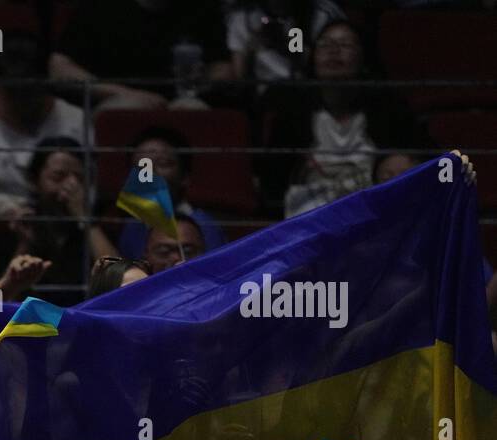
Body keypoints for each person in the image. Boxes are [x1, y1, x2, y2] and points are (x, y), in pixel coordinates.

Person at [263, 19, 427, 218]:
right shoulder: (293, 114)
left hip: (373, 216)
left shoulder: (390, 109)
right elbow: (272, 181)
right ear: (313, 57)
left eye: (345, 44)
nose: (333, 51)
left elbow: (421, 159)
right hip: (309, 220)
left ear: (363, 57)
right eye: (325, 44)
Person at [0, 32, 87, 202]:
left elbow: (90, 186)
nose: (20, 100)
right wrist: (0, 206)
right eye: (12, 92)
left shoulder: (76, 119)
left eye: (28, 91)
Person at [48, 0, 234, 111]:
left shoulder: (201, 8)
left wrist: (200, 84)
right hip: (116, 106)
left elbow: (223, 69)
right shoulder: (101, 7)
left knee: (193, 110)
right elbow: (60, 68)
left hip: (183, 107)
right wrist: (123, 94)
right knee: (126, 108)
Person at [10, 136, 121, 305]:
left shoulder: (99, 230)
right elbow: (3, 299)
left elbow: (119, 283)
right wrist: (25, 243)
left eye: (79, 178)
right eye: (58, 177)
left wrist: (86, 219)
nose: (71, 186)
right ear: (34, 180)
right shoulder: (18, 227)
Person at [116, 128, 225, 260]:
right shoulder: (132, 227)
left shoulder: (204, 226)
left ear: (185, 176)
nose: (150, 173)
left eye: (162, 164)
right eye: (141, 167)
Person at [227, 1, 346, 86]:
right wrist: (253, 46)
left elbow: (332, 64)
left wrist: (287, 45)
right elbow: (240, 76)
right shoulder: (243, 17)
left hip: (310, 88)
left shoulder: (322, 13)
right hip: (266, 95)